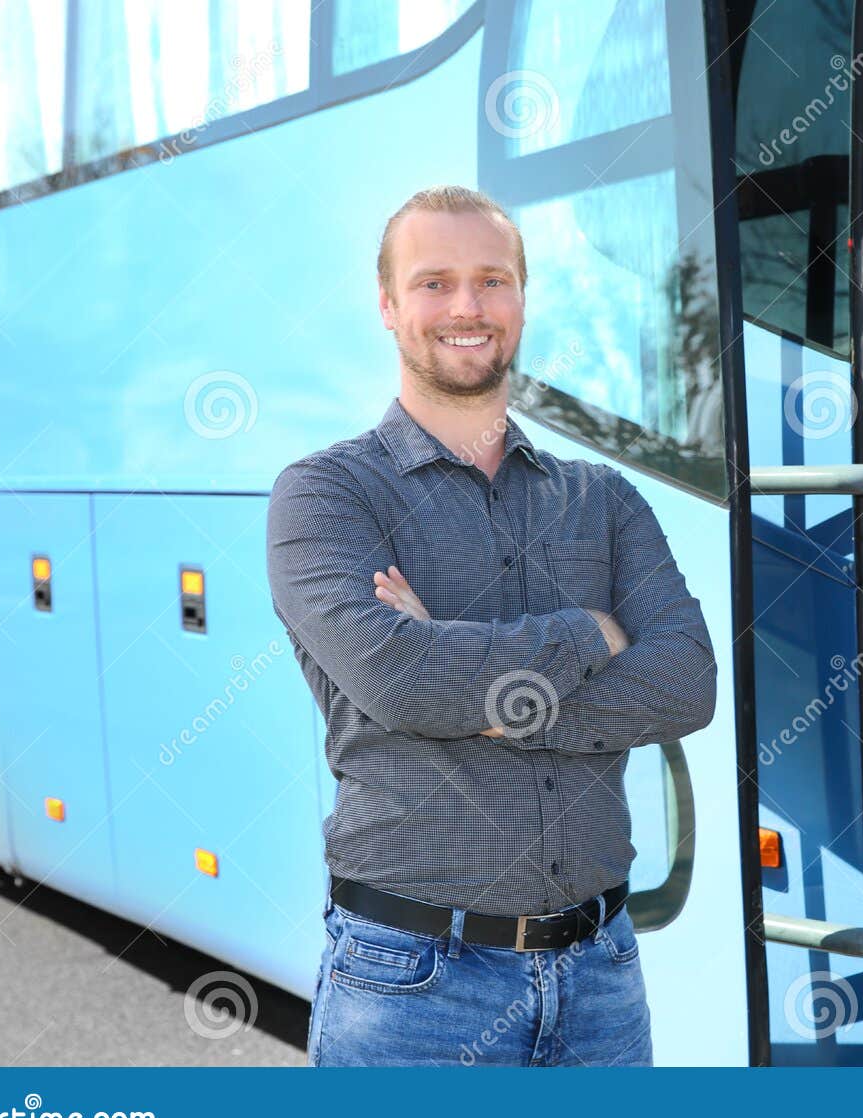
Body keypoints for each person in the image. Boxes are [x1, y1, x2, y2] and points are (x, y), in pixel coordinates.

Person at [265, 185, 717, 1066]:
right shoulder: (326, 495)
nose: (467, 307)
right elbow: (400, 679)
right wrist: (592, 634)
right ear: (389, 306)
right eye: (434, 283)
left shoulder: (604, 498)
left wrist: (474, 698)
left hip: (602, 975)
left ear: (521, 298)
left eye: (492, 280)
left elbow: (688, 682)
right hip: (416, 985)